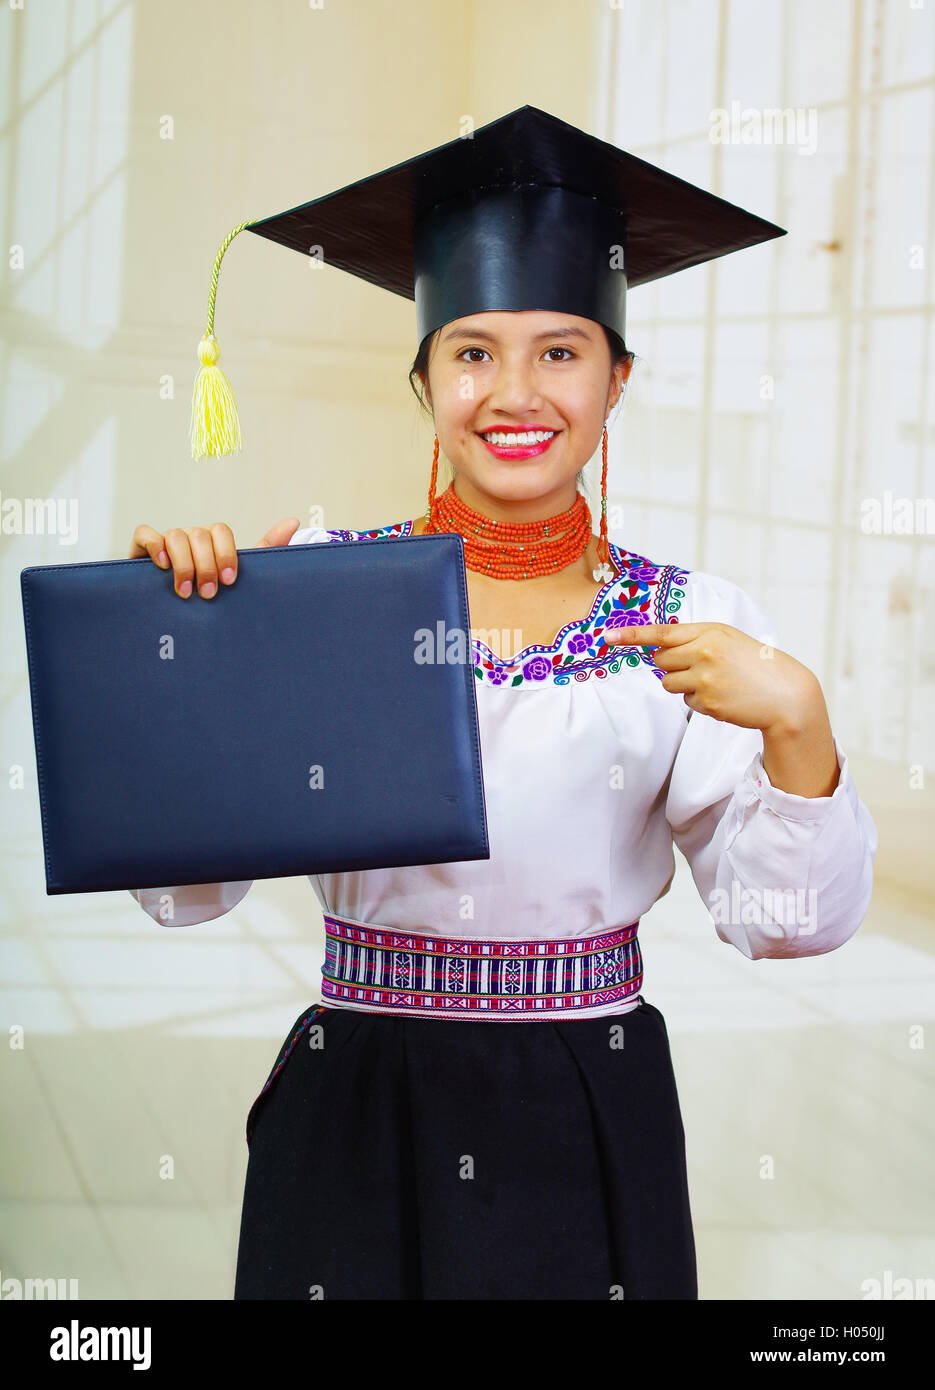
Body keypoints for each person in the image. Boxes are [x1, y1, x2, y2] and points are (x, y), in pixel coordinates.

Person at [127, 107, 878, 1300]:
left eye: (560, 351)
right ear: (422, 377)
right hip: (360, 1094)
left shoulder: (685, 625)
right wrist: (198, 660)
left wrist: (798, 721)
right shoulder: (324, 585)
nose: (512, 392)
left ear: (616, 378)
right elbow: (183, 895)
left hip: (589, 1103)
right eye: (470, 351)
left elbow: (783, 920)